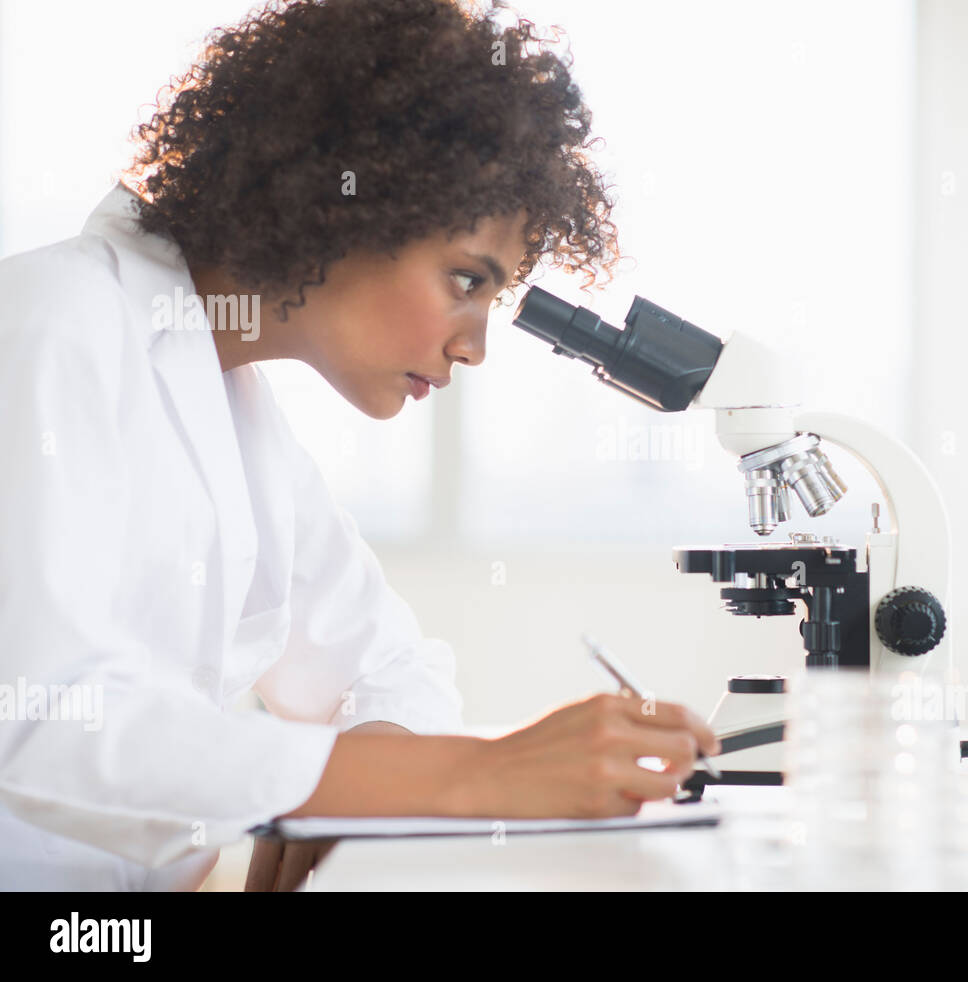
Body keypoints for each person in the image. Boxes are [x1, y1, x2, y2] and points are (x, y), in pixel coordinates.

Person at [0, 0, 719, 892]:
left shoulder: (237, 409)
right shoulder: (49, 322)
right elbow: (44, 723)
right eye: (468, 280)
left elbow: (393, 666)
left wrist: (350, 789)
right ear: (342, 204)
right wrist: (469, 776)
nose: (476, 347)